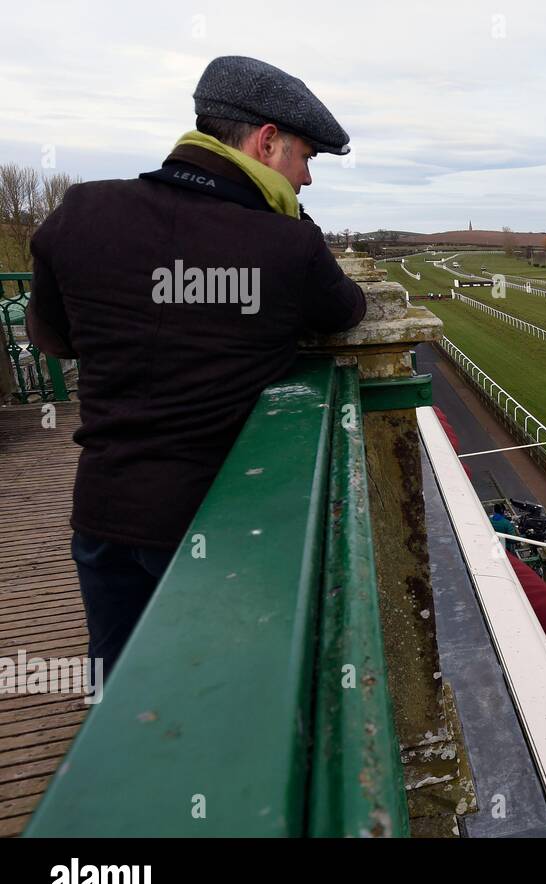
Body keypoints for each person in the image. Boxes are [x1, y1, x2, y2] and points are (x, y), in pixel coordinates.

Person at [26, 55, 366, 679]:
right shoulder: (286, 244)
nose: (308, 179)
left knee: (118, 696)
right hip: (217, 521)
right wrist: (289, 221)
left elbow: (54, 337)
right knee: (210, 695)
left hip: (101, 508)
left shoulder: (81, 211)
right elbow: (345, 311)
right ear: (268, 142)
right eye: (306, 159)